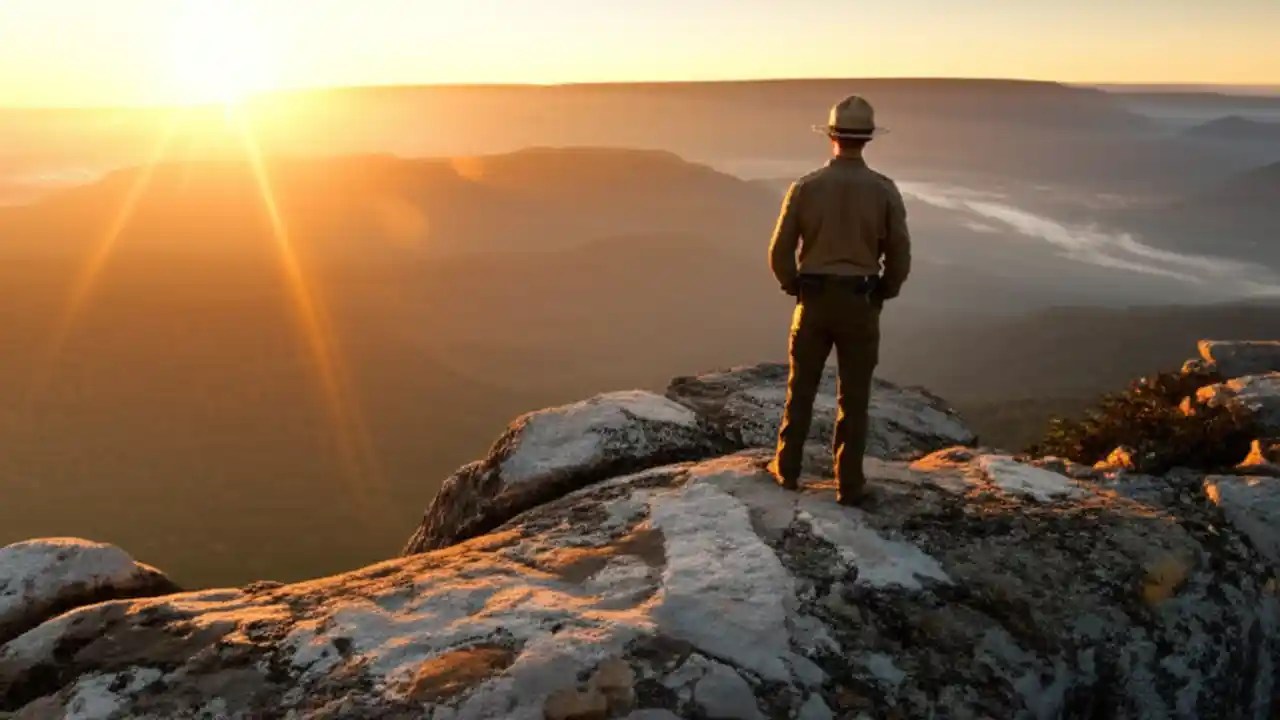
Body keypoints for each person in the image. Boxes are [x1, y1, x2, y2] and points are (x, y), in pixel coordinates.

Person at [766, 95, 911, 506]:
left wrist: (795, 286)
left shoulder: (806, 187)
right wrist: (884, 291)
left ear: (831, 135)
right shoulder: (884, 190)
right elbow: (899, 253)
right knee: (855, 397)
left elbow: (779, 252)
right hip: (860, 300)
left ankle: (787, 471)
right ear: (866, 139)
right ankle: (849, 485)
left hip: (812, 300)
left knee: (801, 389)